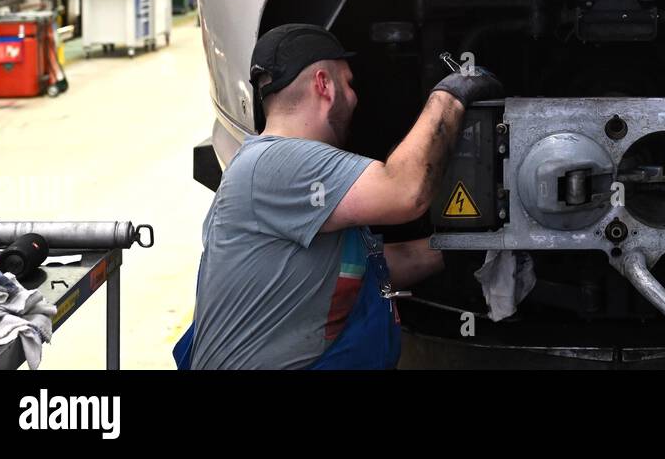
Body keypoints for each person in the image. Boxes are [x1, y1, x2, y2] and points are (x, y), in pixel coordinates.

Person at [174, 23, 502, 369]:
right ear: (323, 84)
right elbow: (405, 191)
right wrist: (453, 92)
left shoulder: (281, 177)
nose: (355, 97)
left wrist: (472, 250)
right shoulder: (274, 162)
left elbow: (375, 267)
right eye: (349, 83)